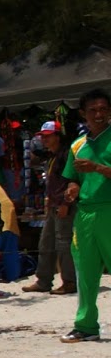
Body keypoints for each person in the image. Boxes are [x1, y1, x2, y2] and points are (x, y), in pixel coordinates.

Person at [61, 89, 111, 342]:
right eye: (93, 110)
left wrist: (98, 168)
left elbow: (94, 170)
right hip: (86, 214)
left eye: (103, 109)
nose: (99, 114)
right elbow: (74, 178)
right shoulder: (77, 145)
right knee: (86, 270)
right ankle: (86, 325)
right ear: (83, 114)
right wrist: (72, 190)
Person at [22, 121, 77, 296]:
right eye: (43, 136)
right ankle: (43, 280)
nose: (44, 139)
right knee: (46, 243)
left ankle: (69, 281)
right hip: (54, 205)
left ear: (57, 136)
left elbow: (72, 181)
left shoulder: (66, 154)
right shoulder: (53, 155)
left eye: (48, 136)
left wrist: (65, 204)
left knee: (63, 244)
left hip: (63, 204)